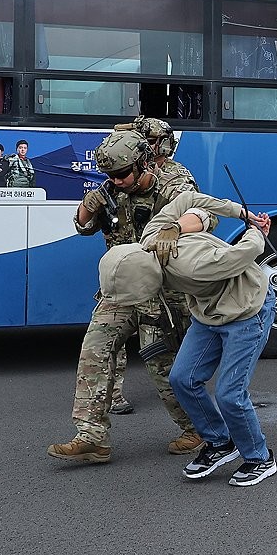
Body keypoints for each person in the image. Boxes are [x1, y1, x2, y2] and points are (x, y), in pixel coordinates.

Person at [47, 130, 205, 463]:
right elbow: (84, 226)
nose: (116, 181)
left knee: (162, 364)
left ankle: (199, 429)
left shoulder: (172, 187)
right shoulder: (110, 190)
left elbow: (203, 214)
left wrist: (175, 227)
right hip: (122, 288)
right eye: (110, 175)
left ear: (143, 162)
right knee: (95, 348)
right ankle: (91, 437)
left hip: (161, 291)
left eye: (121, 174)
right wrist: (86, 207)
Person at [105, 190, 276, 487]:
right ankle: (220, 443)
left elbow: (242, 254)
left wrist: (255, 230)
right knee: (182, 378)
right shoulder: (151, 238)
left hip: (247, 310)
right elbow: (188, 199)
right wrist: (237, 211)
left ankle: (259, 457)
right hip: (208, 314)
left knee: (229, 394)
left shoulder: (192, 265)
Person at [106, 117, 199, 415]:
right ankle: (112, 394)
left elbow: (196, 213)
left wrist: (172, 230)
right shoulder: (127, 171)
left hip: (159, 271)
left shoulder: (175, 177)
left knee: (169, 338)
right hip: (126, 265)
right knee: (111, 336)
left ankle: (190, 402)